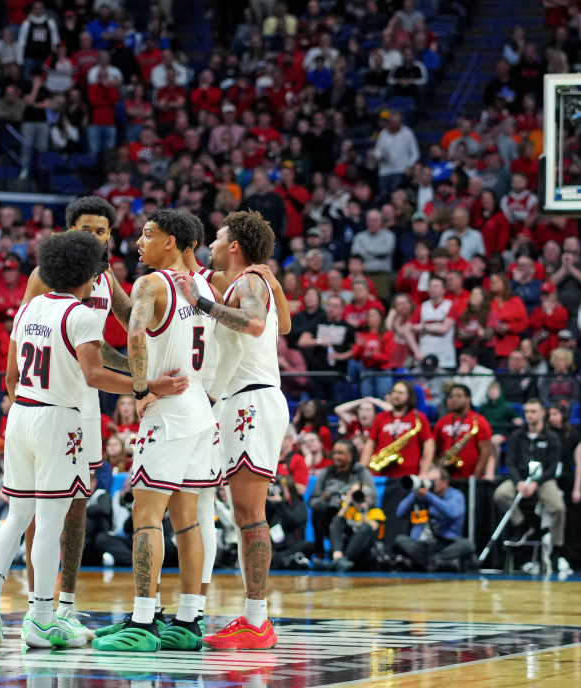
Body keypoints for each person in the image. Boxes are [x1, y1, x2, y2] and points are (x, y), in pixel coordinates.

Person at [0, 231, 186, 650]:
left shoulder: (29, 307)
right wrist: (148, 386)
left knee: (17, 515)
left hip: (21, 415)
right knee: (50, 525)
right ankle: (42, 620)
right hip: (57, 421)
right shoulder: (83, 315)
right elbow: (94, 375)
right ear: (89, 272)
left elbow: (11, 378)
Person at [93, 210, 217, 654]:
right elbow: (162, 323)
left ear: (172, 241)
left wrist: (142, 388)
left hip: (168, 410)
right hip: (201, 407)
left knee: (146, 518)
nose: (138, 242)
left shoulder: (152, 284)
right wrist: (110, 279)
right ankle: (186, 622)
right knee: (188, 522)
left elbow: (137, 335)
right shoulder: (203, 286)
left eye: (148, 235)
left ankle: (144, 622)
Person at [17, 196, 136, 640]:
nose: (94, 236)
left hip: (88, 400)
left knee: (78, 504)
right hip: (47, 400)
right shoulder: (43, 277)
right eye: (86, 228)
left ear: (110, 238)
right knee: (39, 508)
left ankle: (65, 604)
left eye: (102, 230)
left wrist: (170, 328)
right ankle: (37, 604)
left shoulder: (107, 280)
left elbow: (132, 324)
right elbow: (21, 337)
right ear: (69, 233)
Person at [174, 209, 285, 650]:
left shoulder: (251, 282)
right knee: (241, 514)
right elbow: (284, 324)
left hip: (253, 399)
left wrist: (200, 302)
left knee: (249, 514)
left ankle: (257, 620)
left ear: (234, 245)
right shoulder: (251, 281)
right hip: (242, 399)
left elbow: (257, 324)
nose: (212, 245)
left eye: (217, 238)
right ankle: (249, 617)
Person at [493, 398, 565, 570]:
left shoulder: (551, 437)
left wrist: (536, 483)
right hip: (521, 478)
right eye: (526, 412)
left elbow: (553, 466)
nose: (529, 415)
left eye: (533, 411)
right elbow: (510, 463)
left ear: (542, 413)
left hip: (543, 480)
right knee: (500, 494)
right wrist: (518, 482)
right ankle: (521, 524)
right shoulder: (517, 436)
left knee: (558, 508)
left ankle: (556, 547)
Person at [361, 380, 434, 540]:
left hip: (405, 480)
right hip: (380, 478)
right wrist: (362, 470)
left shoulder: (418, 417)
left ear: (409, 397)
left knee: (399, 519)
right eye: (393, 391)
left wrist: (423, 472)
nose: (396, 395)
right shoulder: (381, 417)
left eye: (400, 392)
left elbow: (428, 444)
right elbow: (370, 444)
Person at [392, 466, 476, 571]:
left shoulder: (455, 495)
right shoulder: (420, 496)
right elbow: (400, 513)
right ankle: (436, 563)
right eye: (428, 480)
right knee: (399, 540)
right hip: (421, 547)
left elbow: (451, 512)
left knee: (467, 545)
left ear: (445, 482)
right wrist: (415, 492)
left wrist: (428, 496)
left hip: (444, 545)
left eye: (433, 481)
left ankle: (428, 562)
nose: (430, 483)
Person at [308, 439, 375, 557]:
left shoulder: (361, 472)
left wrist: (351, 501)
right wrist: (325, 499)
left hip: (353, 515)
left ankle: (342, 555)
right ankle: (320, 553)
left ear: (351, 456)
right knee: (317, 509)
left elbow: (372, 499)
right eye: (334, 453)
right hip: (330, 514)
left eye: (340, 453)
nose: (335, 456)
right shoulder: (327, 472)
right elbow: (313, 499)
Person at [432, 384, 493, 481]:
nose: (454, 399)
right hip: (444, 478)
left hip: (469, 478)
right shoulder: (441, 422)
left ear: (468, 399)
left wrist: (476, 475)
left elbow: (486, 451)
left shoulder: (479, 421)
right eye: (451, 396)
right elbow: (433, 449)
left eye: (459, 396)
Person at [325, 479, 385, 571]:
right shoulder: (347, 510)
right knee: (337, 520)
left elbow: (372, 528)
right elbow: (333, 526)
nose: (357, 496)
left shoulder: (375, 512)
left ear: (368, 496)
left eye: (360, 493)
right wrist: (346, 505)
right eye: (354, 493)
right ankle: (338, 559)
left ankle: (338, 562)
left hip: (363, 553)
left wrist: (363, 510)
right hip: (344, 547)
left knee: (366, 527)